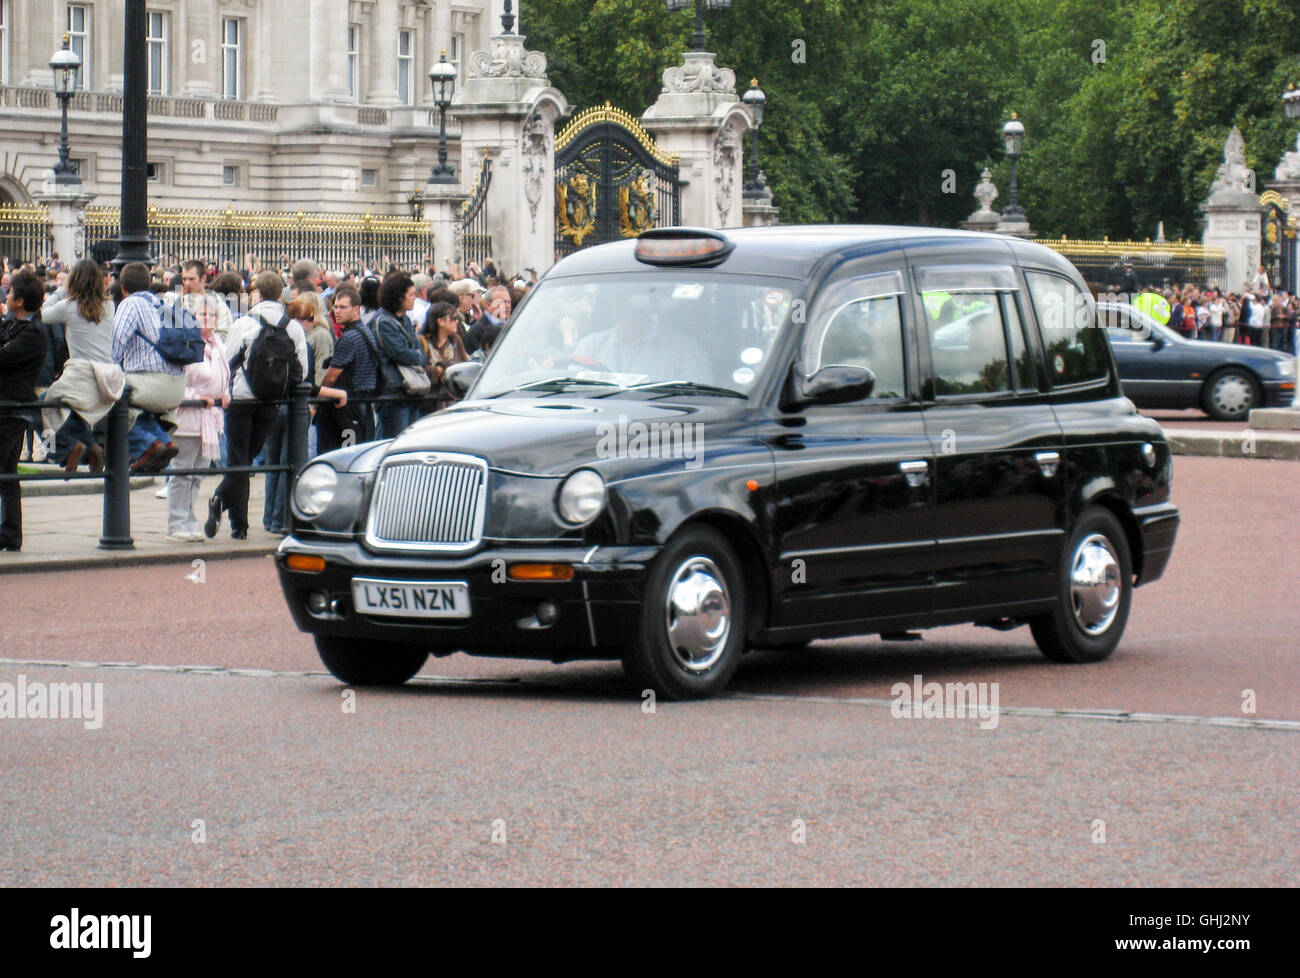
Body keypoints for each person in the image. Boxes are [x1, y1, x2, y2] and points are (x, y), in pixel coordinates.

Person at [206, 270, 308, 540]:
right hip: (272, 400)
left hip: (241, 397)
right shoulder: (293, 326)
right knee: (248, 461)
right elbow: (303, 371)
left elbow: (229, 360)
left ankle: (236, 523)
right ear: (280, 293)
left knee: (239, 460)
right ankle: (223, 504)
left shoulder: (245, 322)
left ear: (258, 293)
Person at [40, 259, 116, 471]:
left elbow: (42, 314)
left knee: (40, 405)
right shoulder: (110, 307)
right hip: (108, 377)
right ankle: (91, 448)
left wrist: (60, 291)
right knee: (77, 415)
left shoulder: (69, 307)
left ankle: (62, 450)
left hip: (82, 375)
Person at [111, 261, 185, 472]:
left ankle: (147, 445)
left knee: (104, 395)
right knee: (137, 408)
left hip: (151, 385)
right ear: (150, 283)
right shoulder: (164, 304)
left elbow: (114, 349)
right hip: (178, 386)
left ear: (123, 289)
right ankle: (163, 442)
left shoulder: (130, 304)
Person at [167, 302, 229, 541]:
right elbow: (176, 381)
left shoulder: (217, 345)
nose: (208, 318)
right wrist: (196, 397)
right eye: (202, 314)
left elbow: (223, 377)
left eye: (211, 314)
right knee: (182, 473)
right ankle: (176, 524)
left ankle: (190, 521)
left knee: (197, 475)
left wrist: (224, 394)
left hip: (210, 419)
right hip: (189, 417)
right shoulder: (185, 345)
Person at [0, 271, 50, 551]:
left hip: (13, 407)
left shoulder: (33, 332)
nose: (5, 297)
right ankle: (10, 533)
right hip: (7, 405)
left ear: (19, 301)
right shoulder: (14, 325)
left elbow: (4, 358)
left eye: (9, 294)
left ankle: (9, 531)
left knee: (6, 472)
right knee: (7, 473)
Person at [316, 284, 380, 451]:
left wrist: (317, 397)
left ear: (356, 309)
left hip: (349, 405)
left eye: (343, 307)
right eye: (335, 307)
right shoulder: (365, 332)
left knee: (344, 454)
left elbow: (331, 376)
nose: (337, 311)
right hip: (362, 402)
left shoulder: (350, 337)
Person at [371, 271, 428, 439]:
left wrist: (417, 355)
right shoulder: (384, 322)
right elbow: (401, 353)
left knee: (409, 439)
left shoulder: (404, 319)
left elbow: (416, 348)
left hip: (408, 388)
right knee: (393, 440)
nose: (414, 298)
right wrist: (418, 356)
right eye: (410, 295)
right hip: (393, 388)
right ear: (398, 297)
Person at [420, 300, 469, 411]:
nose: (457, 321)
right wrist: (439, 371)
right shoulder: (422, 342)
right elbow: (420, 370)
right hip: (428, 402)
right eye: (453, 318)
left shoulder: (456, 340)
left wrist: (443, 367)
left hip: (454, 400)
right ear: (440, 321)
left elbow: (462, 365)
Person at [179, 259, 233, 341]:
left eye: (191, 279)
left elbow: (224, 334)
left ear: (203, 278)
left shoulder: (218, 304)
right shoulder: (180, 302)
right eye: (184, 279)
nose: (187, 283)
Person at [465, 285, 511, 355]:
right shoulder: (477, 331)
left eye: (509, 302)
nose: (507, 306)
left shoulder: (512, 325)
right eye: (503, 302)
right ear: (488, 305)